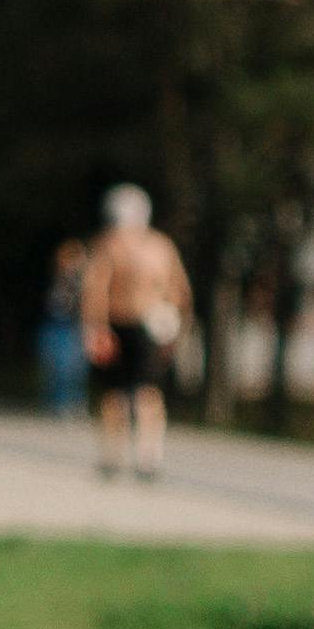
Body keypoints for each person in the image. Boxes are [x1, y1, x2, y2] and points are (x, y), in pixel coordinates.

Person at [81, 182, 194, 482]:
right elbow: (180, 291)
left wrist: (95, 328)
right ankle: (149, 455)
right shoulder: (162, 246)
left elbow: (95, 289)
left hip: (120, 324)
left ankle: (113, 455)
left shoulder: (108, 244)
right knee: (148, 392)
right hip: (152, 326)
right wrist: (175, 329)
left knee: (115, 394)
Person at [37, 234, 91, 422]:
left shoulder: (82, 279)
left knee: (75, 368)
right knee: (57, 367)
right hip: (55, 324)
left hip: (74, 326)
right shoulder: (57, 277)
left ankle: (74, 402)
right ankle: (58, 403)